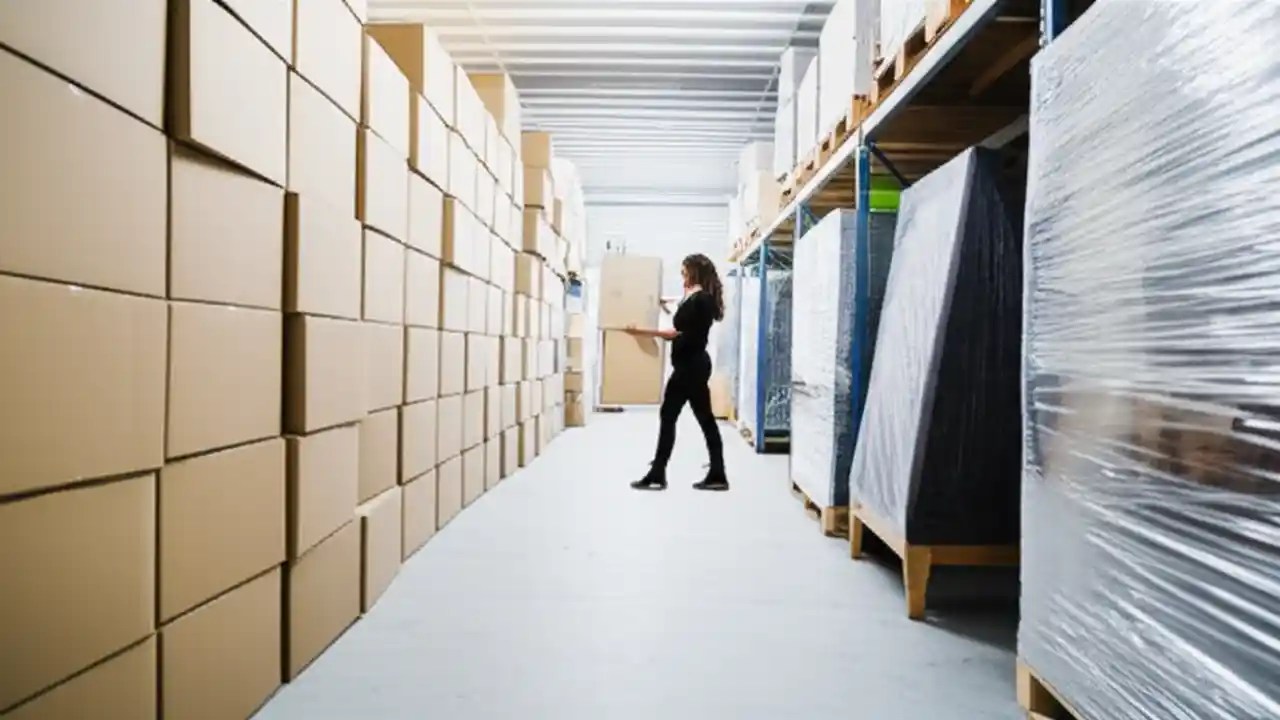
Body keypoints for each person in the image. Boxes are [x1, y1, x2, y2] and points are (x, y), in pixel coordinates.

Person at [624, 253, 728, 492]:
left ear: (694, 272)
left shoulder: (700, 299)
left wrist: (641, 332)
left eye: (684, 273)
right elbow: (684, 316)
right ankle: (715, 473)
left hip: (690, 367)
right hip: (690, 366)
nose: (682, 277)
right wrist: (667, 304)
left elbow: (676, 332)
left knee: (673, 415)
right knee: (700, 419)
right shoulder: (696, 297)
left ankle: (659, 473)